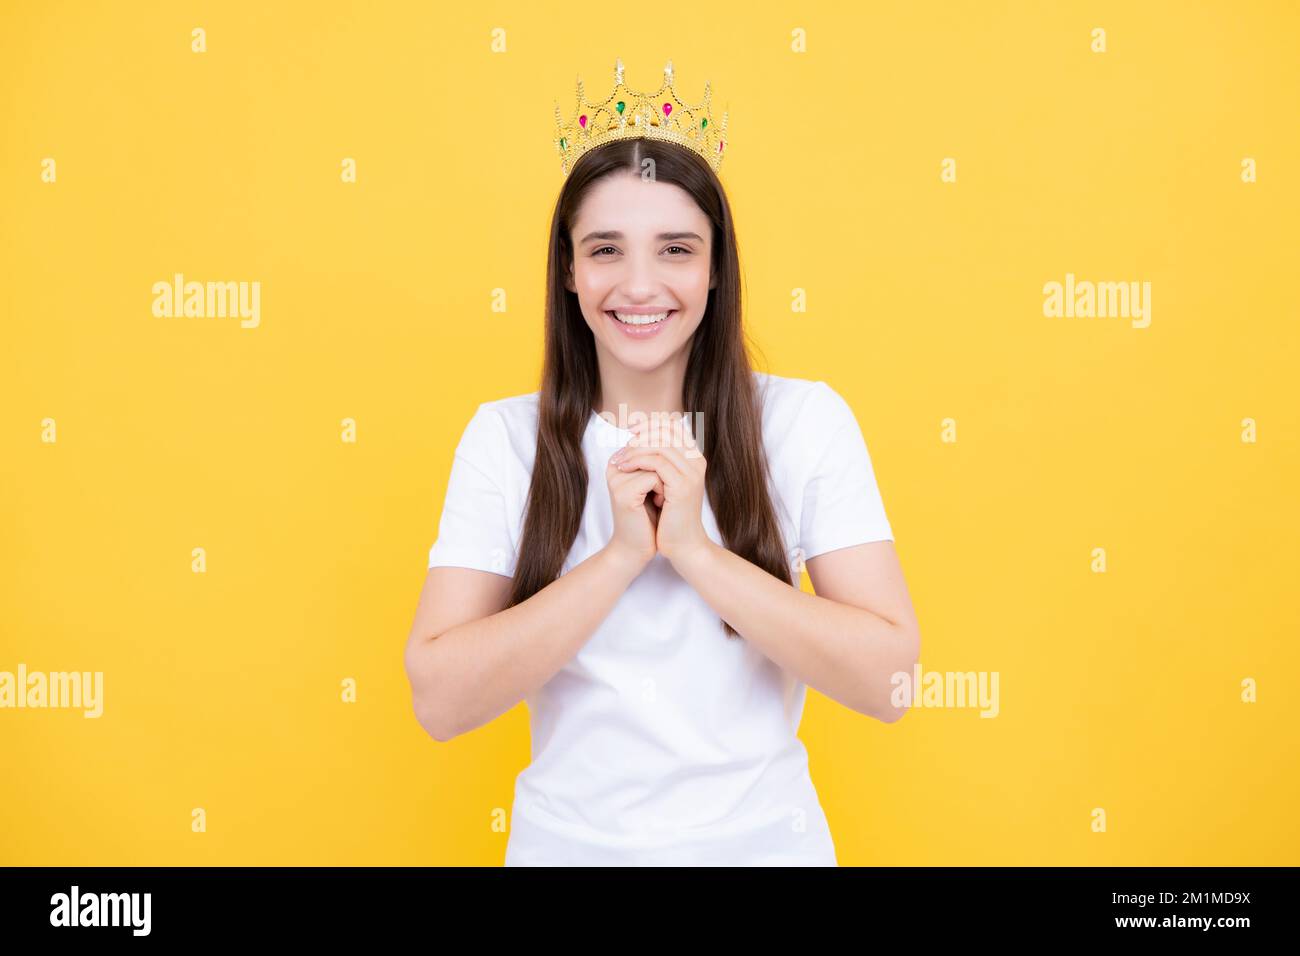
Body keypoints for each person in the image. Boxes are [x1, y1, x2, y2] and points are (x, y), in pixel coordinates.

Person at [404, 60, 920, 865]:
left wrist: (694, 552)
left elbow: (891, 683)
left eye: (675, 249)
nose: (639, 285)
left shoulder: (800, 421)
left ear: (715, 270)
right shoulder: (506, 440)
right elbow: (439, 701)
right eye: (605, 249)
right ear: (569, 272)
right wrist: (618, 557)